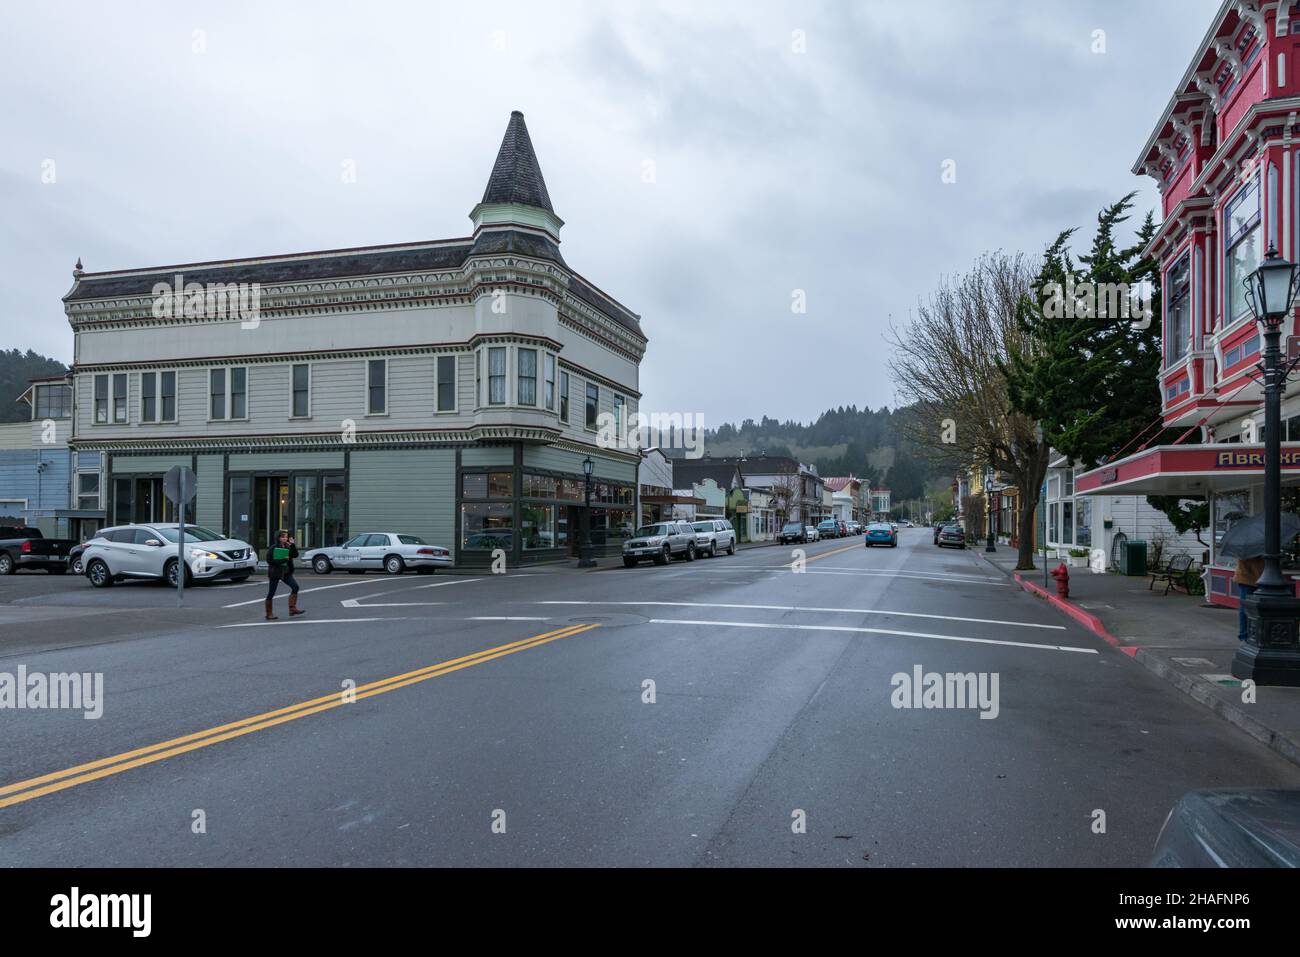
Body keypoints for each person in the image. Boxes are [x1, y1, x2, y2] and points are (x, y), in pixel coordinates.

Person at [265, 530, 304, 621]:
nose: (285, 538)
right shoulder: (273, 548)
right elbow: (269, 561)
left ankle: (292, 609)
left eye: (286, 537)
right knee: (271, 593)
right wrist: (283, 560)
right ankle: (269, 613)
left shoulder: (288, 546)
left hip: (286, 572)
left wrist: (293, 545)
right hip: (275, 573)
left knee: (295, 587)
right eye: (283, 537)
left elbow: (295, 555)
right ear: (278, 538)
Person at [1234, 555, 1265, 642]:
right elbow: (1244, 570)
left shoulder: (1259, 552)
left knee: (1254, 609)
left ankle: (1254, 632)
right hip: (1247, 581)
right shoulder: (1246, 553)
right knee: (1245, 609)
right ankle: (1244, 634)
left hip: (1258, 581)